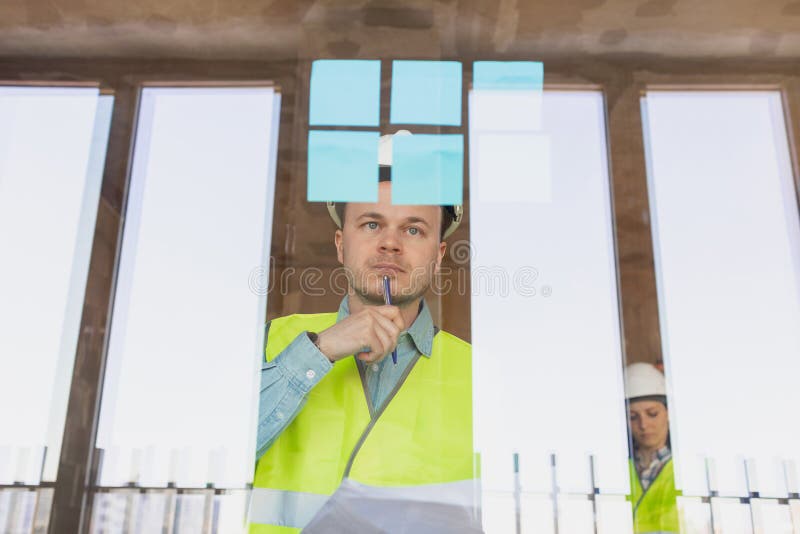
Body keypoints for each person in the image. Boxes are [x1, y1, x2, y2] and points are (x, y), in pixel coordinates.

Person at [248, 133, 478, 533]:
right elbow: (205, 465)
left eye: (413, 230)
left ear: (439, 255)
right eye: (372, 224)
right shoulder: (271, 342)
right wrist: (319, 352)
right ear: (341, 244)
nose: (390, 244)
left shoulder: (480, 376)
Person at [625, 362, 680, 533]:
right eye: (633, 417)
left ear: (669, 413)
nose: (644, 424)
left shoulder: (686, 471)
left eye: (652, 414)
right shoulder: (617, 472)